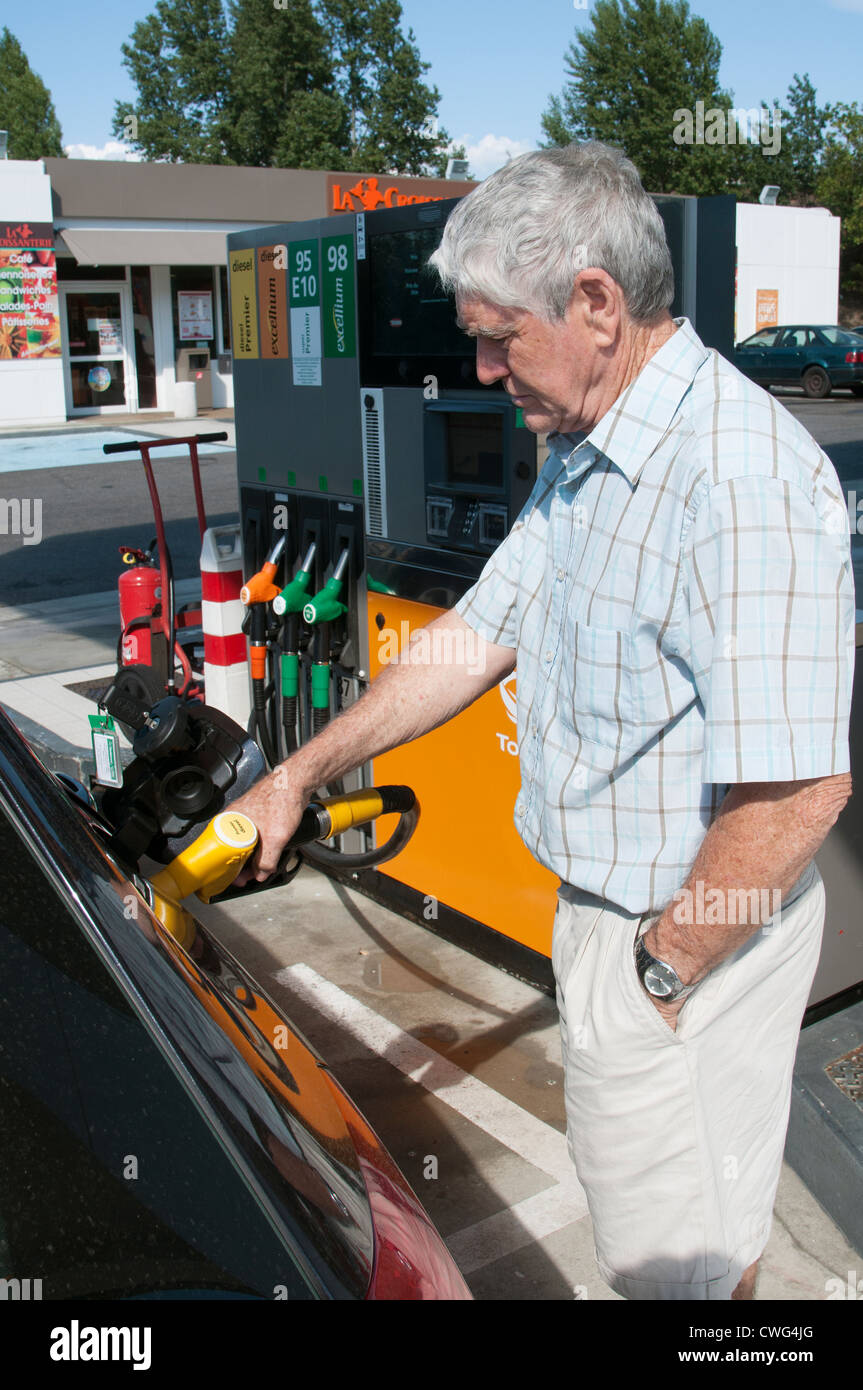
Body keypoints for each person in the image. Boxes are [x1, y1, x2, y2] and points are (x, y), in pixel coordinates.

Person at [231, 141, 854, 1301]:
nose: (477, 366)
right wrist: (298, 770)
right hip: (618, 926)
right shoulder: (585, 450)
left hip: (685, 939)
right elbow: (474, 634)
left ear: (596, 304)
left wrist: (660, 976)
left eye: (498, 335)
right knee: (675, 1241)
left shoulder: (734, 479)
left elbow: (796, 794)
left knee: (676, 1266)